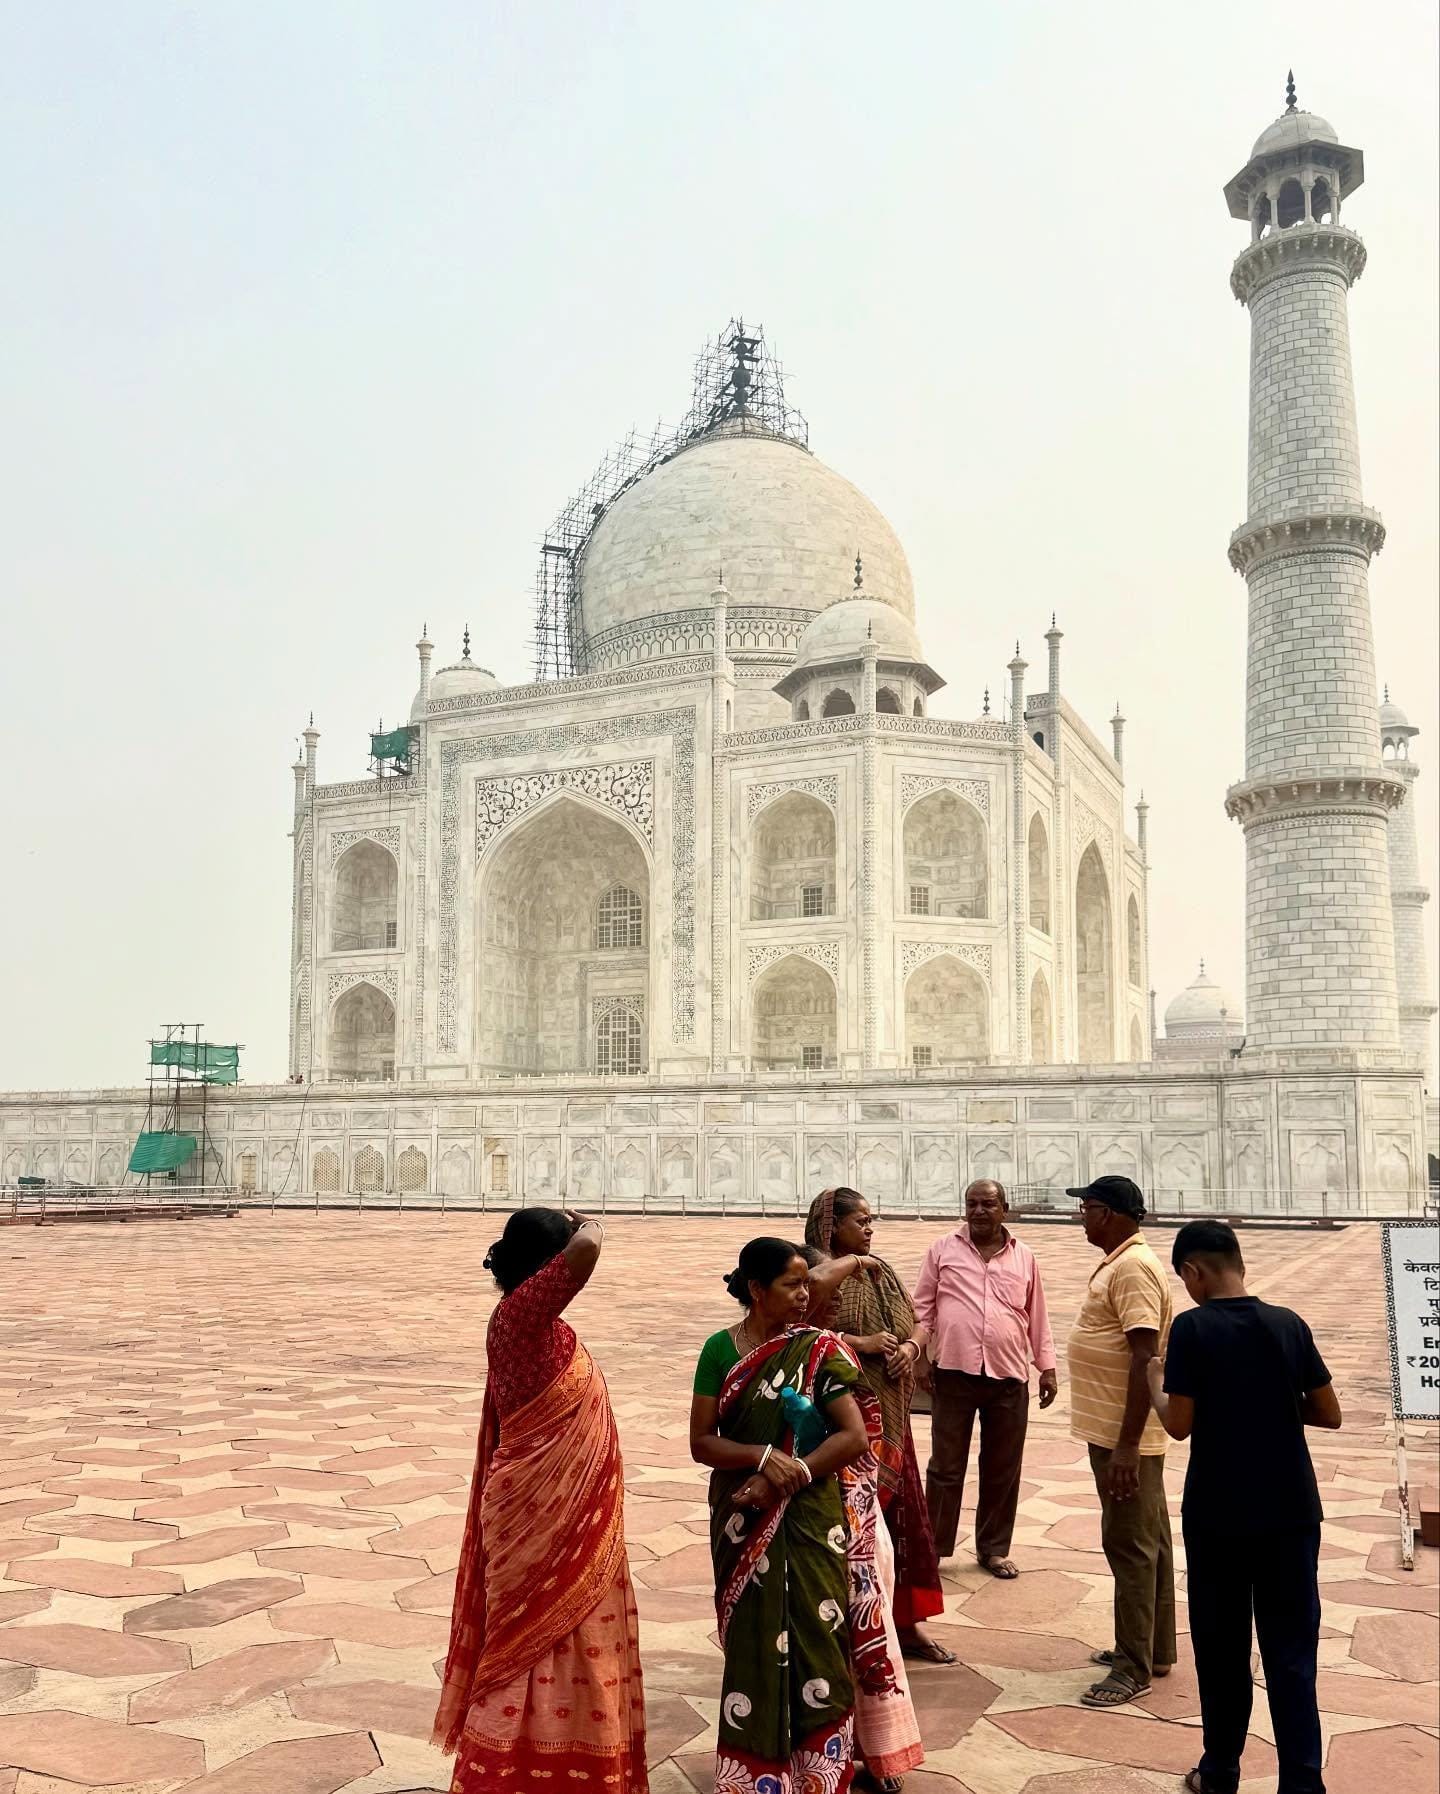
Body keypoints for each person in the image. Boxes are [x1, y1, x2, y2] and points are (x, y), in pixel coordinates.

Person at [434, 1208, 647, 1794]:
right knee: (525, 1644)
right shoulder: (518, 1319)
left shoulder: (541, 1326)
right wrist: (591, 1225)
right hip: (536, 1512)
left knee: (577, 1635)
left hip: (570, 1513)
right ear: (546, 1268)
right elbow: (586, 1255)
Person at [1147, 1220, 1342, 1794]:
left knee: (1223, 1650)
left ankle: (1221, 1772)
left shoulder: (1192, 1329)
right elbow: (1328, 1412)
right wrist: (1271, 1404)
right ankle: (1303, 1783)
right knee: (1291, 1656)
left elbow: (1179, 1424)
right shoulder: (1288, 1324)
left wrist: (1157, 1380)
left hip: (1220, 1513)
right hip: (1290, 1511)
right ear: (1240, 1263)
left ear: (1192, 1272)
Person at [690, 1238, 875, 1794]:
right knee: (754, 1642)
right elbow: (702, 1443)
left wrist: (793, 1473)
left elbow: (853, 1435)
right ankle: (755, 1776)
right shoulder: (720, 1351)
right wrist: (763, 1458)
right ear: (755, 1289)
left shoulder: (818, 1350)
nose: (804, 1295)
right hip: (742, 1513)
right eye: (792, 1285)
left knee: (820, 1633)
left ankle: (821, 1773)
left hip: (810, 1512)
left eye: (806, 1284)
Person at [804, 1188, 950, 1664]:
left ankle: (905, 1625)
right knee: (846, 1526)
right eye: (860, 1221)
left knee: (901, 1522)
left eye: (871, 1221)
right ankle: (844, 1626)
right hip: (839, 1420)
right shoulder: (808, 1270)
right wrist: (859, 1342)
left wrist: (911, 1348)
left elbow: (919, 1321)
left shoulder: (881, 1270)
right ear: (832, 1226)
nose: (869, 1229)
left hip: (889, 1416)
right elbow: (799, 1328)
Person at [910, 1180, 1057, 1581]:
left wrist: (1047, 1366)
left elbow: (1037, 1313)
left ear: (1004, 1209)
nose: (978, 1211)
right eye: (971, 1204)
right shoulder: (943, 1250)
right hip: (953, 1372)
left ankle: (993, 1549)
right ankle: (935, 1548)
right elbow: (922, 1308)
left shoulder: (1024, 1256)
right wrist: (921, 1357)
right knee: (945, 1467)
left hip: (1008, 1375)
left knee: (1002, 1467)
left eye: (988, 1204)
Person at [1065, 1174, 1174, 1709]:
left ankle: (1133, 1667)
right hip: (1119, 1429)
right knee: (1147, 1539)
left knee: (1129, 1545)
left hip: (1124, 1435)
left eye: (1085, 1208)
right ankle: (1153, 1647)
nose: (1081, 1217)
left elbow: (1144, 1357)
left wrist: (1128, 1445)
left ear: (1106, 1213)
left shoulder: (1132, 1268)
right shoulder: (1124, 1262)